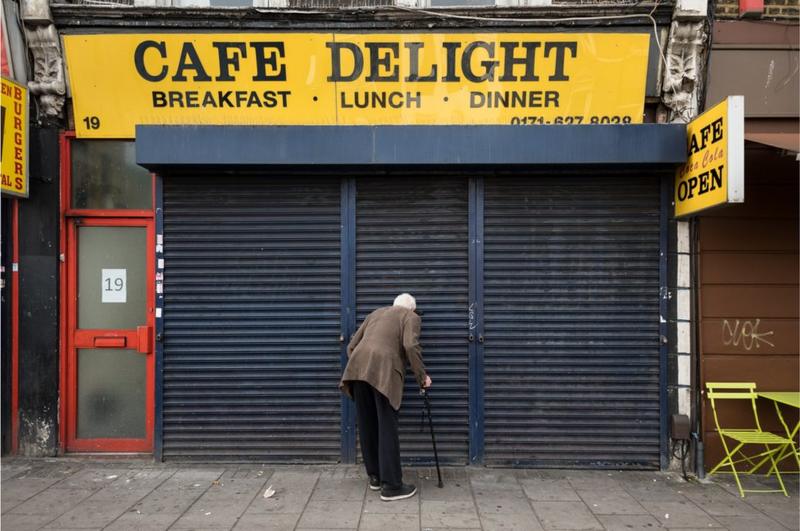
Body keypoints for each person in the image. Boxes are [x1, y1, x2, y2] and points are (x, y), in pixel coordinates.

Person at [339, 293, 432, 501]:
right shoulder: (410, 316)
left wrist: (365, 364)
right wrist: (422, 377)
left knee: (368, 424)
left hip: (357, 371)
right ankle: (391, 486)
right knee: (387, 427)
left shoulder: (375, 313)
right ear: (411, 308)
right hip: (383, 374)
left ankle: (375, 477)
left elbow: (351, 346)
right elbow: (410, 346)